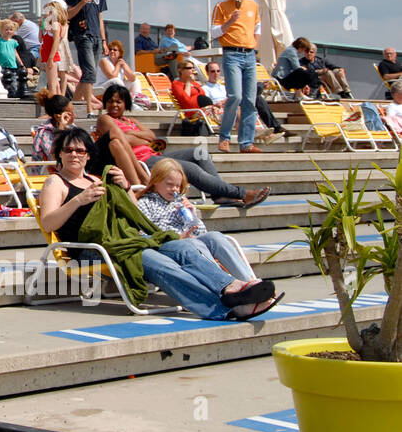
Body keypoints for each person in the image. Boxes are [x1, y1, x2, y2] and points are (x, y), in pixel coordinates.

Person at [36, 127, 280, 321]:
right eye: (68, 150)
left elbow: (132, 212)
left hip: (127, 239)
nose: (74, 155)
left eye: (80, 150)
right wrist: (79, 200)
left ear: (88, 154)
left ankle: (232, 287)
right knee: (159, 262)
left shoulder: (97, 178)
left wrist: (125, 187)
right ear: (60, 154)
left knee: (184, 248)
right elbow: (48, 223)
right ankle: (221, 309)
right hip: (90, 247)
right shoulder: (56, 183)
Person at [92, 85, 269, 207]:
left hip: (156, 156)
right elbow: (123, 138)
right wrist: (141, 138)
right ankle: (241, 194)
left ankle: (220, 194)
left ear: (125, 104)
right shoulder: (105, 119)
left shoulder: (131, 121)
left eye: (119, 102)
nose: (114, 105)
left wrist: (135, 136)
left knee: (199, 153)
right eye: (111, 101)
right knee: (190, 169)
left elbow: (152, 137)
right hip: (143, 161)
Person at [137, 158, 257, 282]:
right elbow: (145, 236)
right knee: (194, 244)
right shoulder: (146, 203)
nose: (174, 189)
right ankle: (226, 283)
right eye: (169, 185)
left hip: (191, 242)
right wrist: (177, 237)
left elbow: (201, 232)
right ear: (155, 181)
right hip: (169, 246)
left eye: (178, 186)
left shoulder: (179, 202)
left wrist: (192, 216)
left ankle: (250, 281)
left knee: (215, 237)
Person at [211, 0, 262, 154]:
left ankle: (246, 142)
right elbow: (214, 32)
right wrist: (230, 21)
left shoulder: (253, 5)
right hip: (232, 52)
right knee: (235, 96)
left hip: (249, 54)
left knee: (250, 99)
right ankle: (224, 138)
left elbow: (257, 26)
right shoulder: (221, 6)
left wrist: (255, 44)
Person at [65, 0, 109, 111]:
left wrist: (104, 40)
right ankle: (89, 108)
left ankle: (73, 105)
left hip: (96, 35)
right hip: (82, 35)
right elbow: (68, 14)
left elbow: (100, 17)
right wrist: (82, 3)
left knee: (90, 74)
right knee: (89, 72)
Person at [201, 60, 286, 139]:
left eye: (218, 71)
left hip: (235, 103)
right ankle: (269, 131)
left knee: (256, 98)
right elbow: (210, 105)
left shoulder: (225, 87)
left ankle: (256, 90)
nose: (216, 74)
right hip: (222, 110)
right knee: (252, 96)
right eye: (212, 71)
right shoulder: (205, 89)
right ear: (207, 73)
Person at [171, 62, 220, 137]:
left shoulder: (195, 84)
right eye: (189, 68)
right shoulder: (176, 84)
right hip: (192, 111)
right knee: (223, 113)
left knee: (230, 111)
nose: (192, 70)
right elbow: (185, 99)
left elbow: (203, 95)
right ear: (180, 70)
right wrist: (188, 82)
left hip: (204, 109)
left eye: (193, 68)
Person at [95, 40, 143, 105]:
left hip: (116, 87)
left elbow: (133, 78)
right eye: (110, 49)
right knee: (116, 80)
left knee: (136, 82)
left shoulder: (121, 62)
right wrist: (118, 65)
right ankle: (125, 102)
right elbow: (111, 76)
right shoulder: (104, 61)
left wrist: (124, 66)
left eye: (115, 50)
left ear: (120, 53)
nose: (112, 51)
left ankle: (137, 103)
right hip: (101, 87)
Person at [31, 92, 75, 162]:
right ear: (58, 116)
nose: (74, 116)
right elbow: (54, 158)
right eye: (70, 113)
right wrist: (61, 129)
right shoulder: (44, 133)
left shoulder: (72, 128)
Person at [38, 0, 70, 97]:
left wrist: (51, 58)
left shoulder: (56, 25)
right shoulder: (49, 26)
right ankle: (60, 102)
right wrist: (41, 28)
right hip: (46, 55)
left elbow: (56, 41)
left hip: (51, 56)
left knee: (52, 84)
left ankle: (54, 105)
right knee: (54, 83)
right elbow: (40, 39)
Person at [0, 17, 26, 99]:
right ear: (1, 30)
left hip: (12, 65)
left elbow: (15, 53)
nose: (8, 31)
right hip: (1, 65)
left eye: (10, 29)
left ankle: (13, 95)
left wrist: (21, 63)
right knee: (1, 80)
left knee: (13, 81)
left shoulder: (13, 42)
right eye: (6, 30)